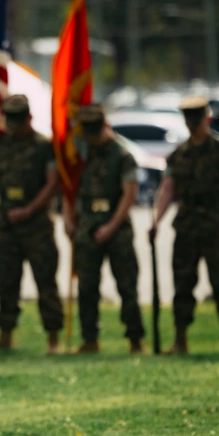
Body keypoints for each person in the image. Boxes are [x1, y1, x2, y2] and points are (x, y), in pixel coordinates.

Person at [148, 96, 219, 355]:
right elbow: (167, 190)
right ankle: (180, 341)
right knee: (183, 283)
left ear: (205, 117)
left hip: (215, 225)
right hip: (186, 225)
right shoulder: (179, 155)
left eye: (196, 118)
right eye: (188, 118)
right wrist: (156, 221)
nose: (192, 123)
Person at [63, 104, 145, 354]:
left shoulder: (122, 155)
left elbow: (129, 195)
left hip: (117, 227)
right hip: (87, 225)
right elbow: (69, 186)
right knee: (87, 286)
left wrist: (110, 227)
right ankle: (89, 339)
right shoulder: (81, 154)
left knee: (126, 285)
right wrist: (68, 218)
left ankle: (135, 340)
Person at [0, 94, 63, 354]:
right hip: (6, 225)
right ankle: (6, 334)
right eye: (11, 119)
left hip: (36, 225)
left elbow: (53, 182)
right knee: (6, 281)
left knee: (46, 282)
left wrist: (29, 209)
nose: (15, 125)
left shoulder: (44, 146)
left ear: (29, 118)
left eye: (19, 119)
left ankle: (53, 337)